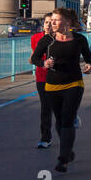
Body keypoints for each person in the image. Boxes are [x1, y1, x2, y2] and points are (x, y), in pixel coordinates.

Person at [30, 7, 91, 173]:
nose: (52, 23)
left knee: (67, 119)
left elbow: (88, 55)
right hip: (52, 85)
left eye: (56, 20)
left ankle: (63, 158)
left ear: (68, 22)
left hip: (74, 83)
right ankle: (68, 151)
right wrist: (43, 64)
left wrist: (88, 65)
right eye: (51, 21)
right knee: (59, 121)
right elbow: (34, 58)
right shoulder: (47, 41)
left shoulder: (79, 39)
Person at [29, 15, 55, 148]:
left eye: (51, 22)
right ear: (43, 24)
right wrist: (41, 62)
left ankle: (71, 115)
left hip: (58, 77)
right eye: (46, 22)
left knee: (60, 107)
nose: (49, 25)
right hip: (42, 77)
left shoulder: (59, 38)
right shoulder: (35, 38)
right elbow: (34, 56)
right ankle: (45, 138)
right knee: (46, 107)